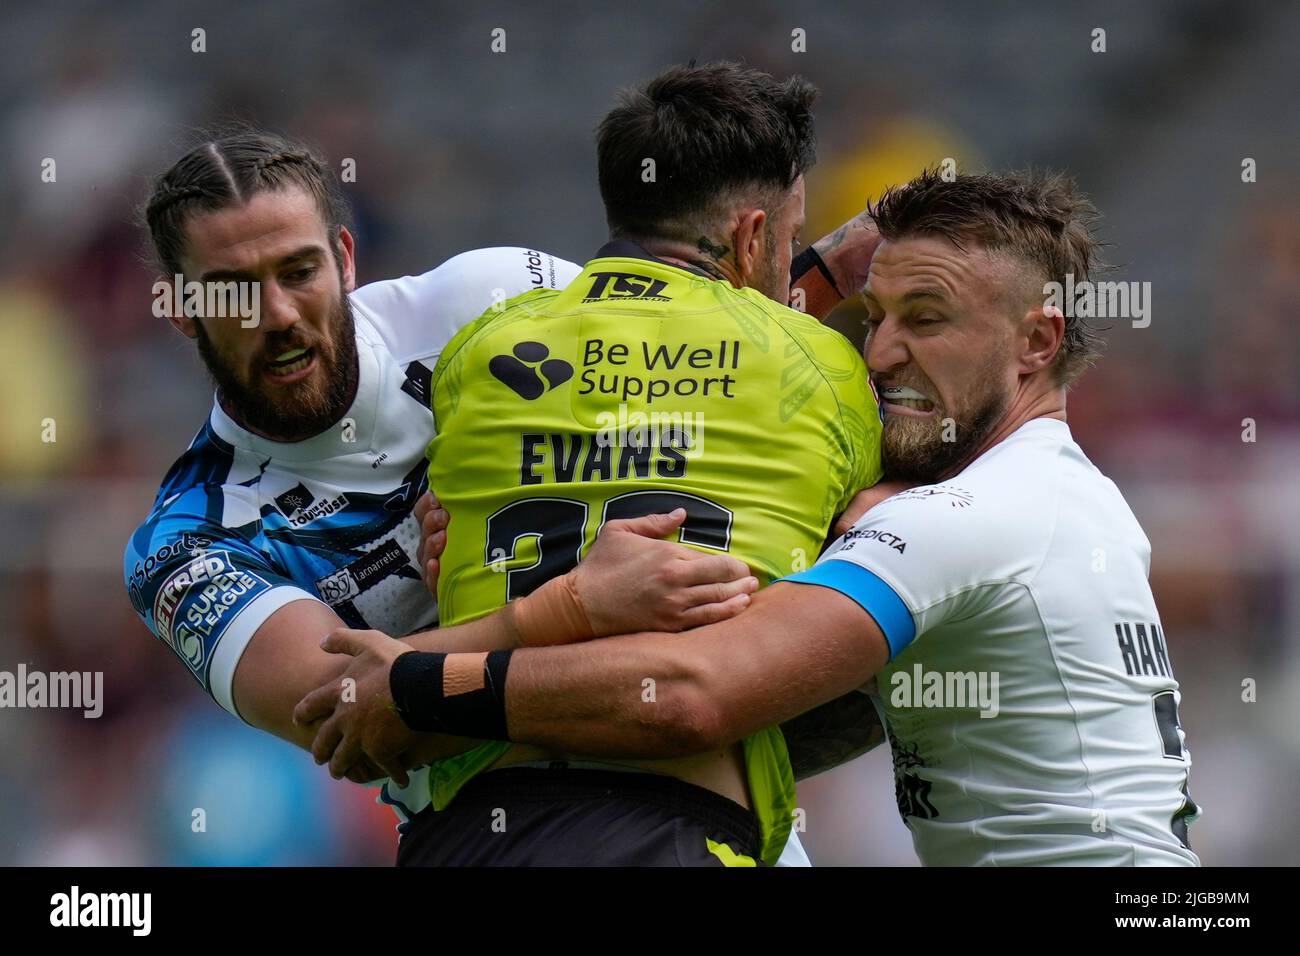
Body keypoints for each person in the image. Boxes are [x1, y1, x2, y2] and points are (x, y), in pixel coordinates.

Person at [301, 168, 1201, 866]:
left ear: (1038, 341)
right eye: (874, 315)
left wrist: (423, 683)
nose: (881, 353)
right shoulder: (1044, 494)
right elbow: (766, 714)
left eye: (926, 319)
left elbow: (694, 694)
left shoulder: (970, 517)